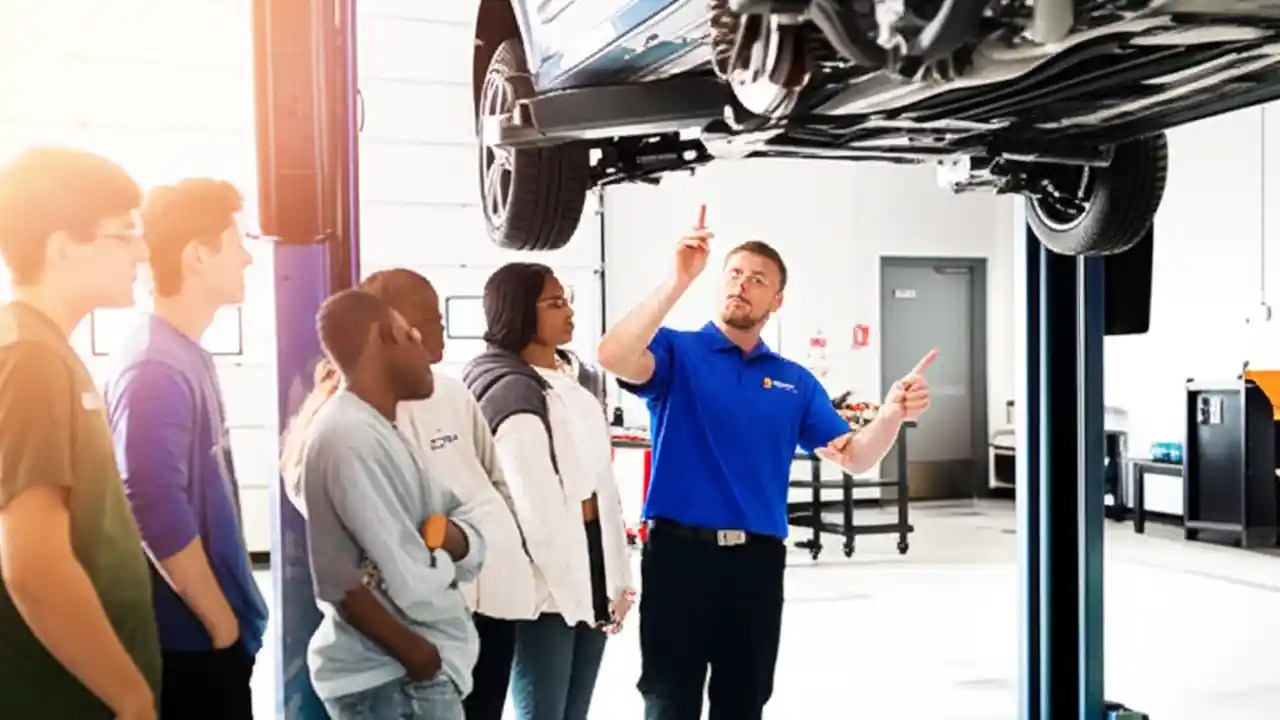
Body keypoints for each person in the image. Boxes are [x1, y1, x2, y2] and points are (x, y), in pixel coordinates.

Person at [597, 230, 935, 720]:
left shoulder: (794, 381)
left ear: (776, 301)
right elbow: (611, 355)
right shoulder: (677, 353)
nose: (742, 285)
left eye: (758, 279)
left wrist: (890, 415)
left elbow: (856, 458)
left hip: (755, 566)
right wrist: (678, 279)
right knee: (669, 700)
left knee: (744, 700)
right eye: (734, 274)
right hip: (679, 558)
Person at [278, 268, 534, 720]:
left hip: (485, 608)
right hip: (408, 634)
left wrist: (486, 545)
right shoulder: (342, 422)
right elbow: (348, 539)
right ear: (390, 329)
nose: (438, 331)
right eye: (427, 322)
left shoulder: (451, 395)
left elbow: (493, 488)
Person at [0, 147, 159, 719]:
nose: (141, 253)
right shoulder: (30, 359)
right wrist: (130, 696)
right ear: (63, 246)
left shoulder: (47, 349)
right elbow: (33, 564)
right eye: (125, 235)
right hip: (62, 697)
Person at [103, 178, 268, 718]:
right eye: (236, 241)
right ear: (198, 255)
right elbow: (151, 501)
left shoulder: (184, 353)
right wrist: (220, 622)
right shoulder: (154, 366)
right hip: (188, 643)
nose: (247, 257)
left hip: (207, 638)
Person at [299, 287, 487, 719]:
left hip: (409, 675)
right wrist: (422, 657)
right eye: (413, 335)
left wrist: (442, 536)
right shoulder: (349, 437)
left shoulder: (377, 427)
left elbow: (453, 522)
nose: (426, 349)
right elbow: (399, 579)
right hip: (398, 680)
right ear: (385, 335)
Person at [462, 262, 635, 720]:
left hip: (587, 573)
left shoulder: (572, 380)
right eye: (554, 303)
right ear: (518, 310)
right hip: (544, 590)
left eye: (567, 299)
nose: (569, 311)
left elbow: (602, 491)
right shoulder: (512, 389)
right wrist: (578, 593)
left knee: (572, 712)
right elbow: (536, 509)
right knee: (544, 712)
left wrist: (614, 580)